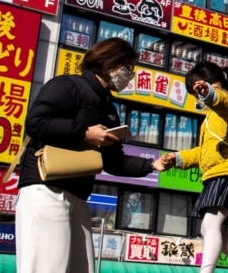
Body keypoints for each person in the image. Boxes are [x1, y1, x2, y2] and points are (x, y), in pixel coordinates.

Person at [16, 38, 169, 273]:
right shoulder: (68, 85)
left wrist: (152, 165)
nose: (130, 75)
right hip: (45, 188)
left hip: (78, 195)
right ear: (108, 62)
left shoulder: (108, 109)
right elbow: (36, 122)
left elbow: (114, 161)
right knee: (47, 266)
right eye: (127, 68)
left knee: (81, 267)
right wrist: (85, 133)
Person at [157, 61, 228, 273]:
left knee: (209, 225)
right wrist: (177, 158)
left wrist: (211, 95)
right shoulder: (209, 118)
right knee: (207, 228)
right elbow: (203, 151)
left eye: (199, 91)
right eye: (196, 94)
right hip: (218, 174)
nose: (199, 98)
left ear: (214, 83)